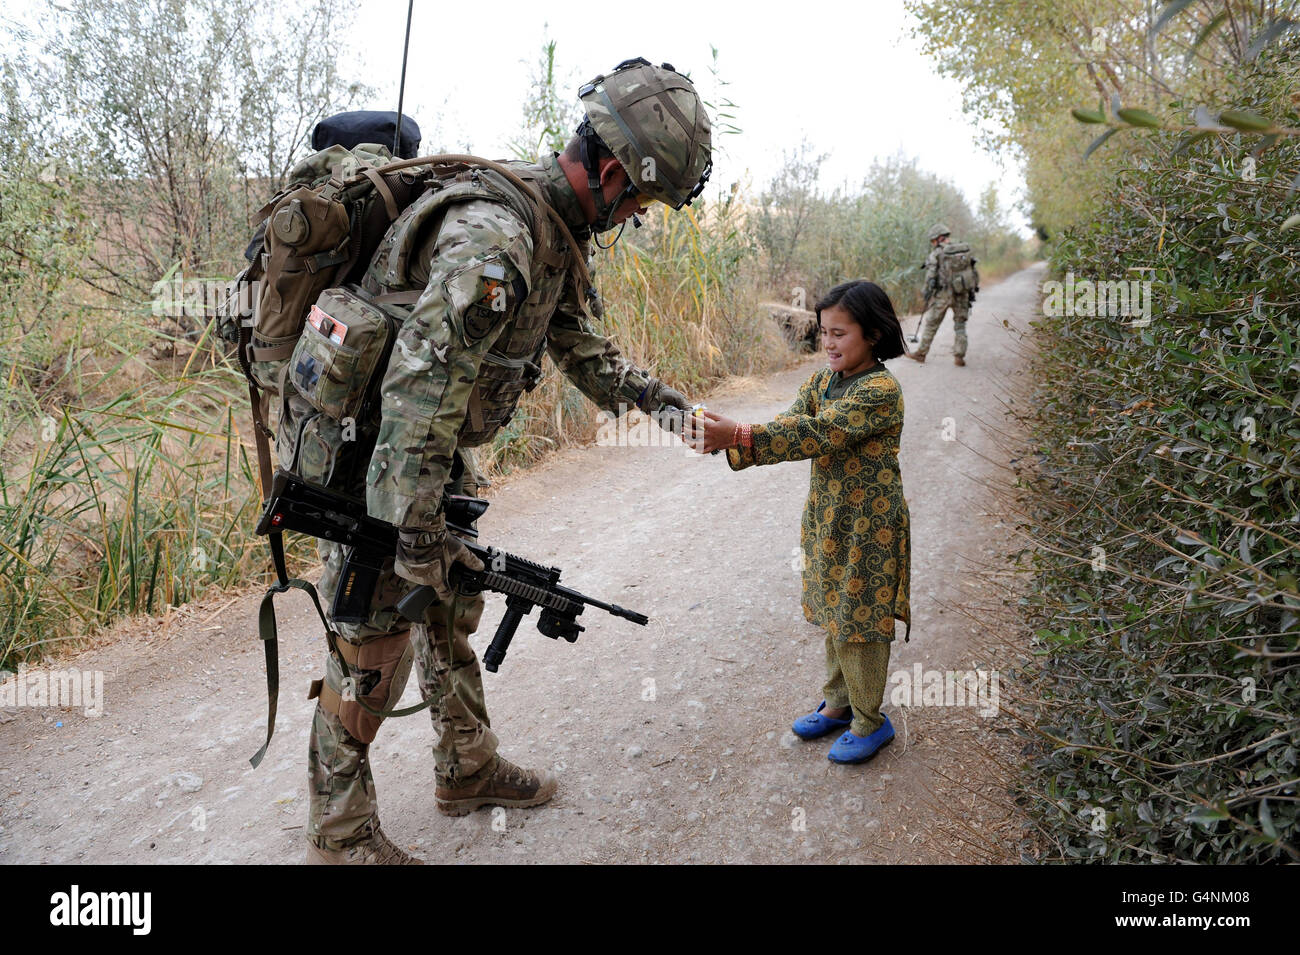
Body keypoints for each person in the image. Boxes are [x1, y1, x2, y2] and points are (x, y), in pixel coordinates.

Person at [295, 57, 713, 863]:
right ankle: (340, 836)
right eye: (642, 205)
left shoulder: (551, 232)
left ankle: (466, 764)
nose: (635, 219)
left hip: (422, 447)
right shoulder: (499, 237)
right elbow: (421, 385)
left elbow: (585, 354)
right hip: (370, 452)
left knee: (449, 597)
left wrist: (683, 418)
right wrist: (411, 531)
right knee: (370, 638)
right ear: (618, 173)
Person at [684, 280, 911, 764]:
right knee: (835, 610)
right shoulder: (821, 382)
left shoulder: (879, 390)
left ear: (873, 334)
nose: (828, 344)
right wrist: (728, 437)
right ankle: (837, 705)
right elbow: (790, 426)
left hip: (871, 528)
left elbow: (819, 433)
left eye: (840, 334)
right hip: (828, 520)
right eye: (823, 333)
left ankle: (871, 721)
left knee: (861, 621)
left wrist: (739, 434)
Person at [907, 223, 972, 366]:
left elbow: (931, 276)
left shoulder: (937, 253)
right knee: (960, 325)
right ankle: (959, 356)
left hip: (943, 294)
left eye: (933, 240)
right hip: (962, 293)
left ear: (939, 238)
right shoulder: (962, 248)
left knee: (931, 324)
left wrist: (926, 293)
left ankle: (921, 353)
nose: (932, 243)